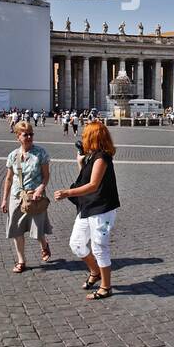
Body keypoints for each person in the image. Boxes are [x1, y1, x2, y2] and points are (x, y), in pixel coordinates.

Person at [59, 120, 121, 298]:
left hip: (101, 208)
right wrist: (80, 162)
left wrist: (67, 192)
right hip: (87, 207)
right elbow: (86, 179)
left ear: (93, 137)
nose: (83, 137)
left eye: (86, 135)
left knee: (99, 247)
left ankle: (106, 287)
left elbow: (93, 185)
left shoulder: (102, 157)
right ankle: (95, 271)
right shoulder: (92, 156)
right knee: (76, 244)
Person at [2, 121, 55, 273]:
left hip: (35, 196)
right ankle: (21, 261)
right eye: (26, 135)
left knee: (38, 230)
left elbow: (46, 176)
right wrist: (4, 199)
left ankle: (44, 245)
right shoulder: (13, 155)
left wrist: (40, 188)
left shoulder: (41, 153)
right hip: (16, 196)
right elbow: (9, 179)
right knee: (16, 230)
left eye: (31, 134)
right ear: (18, 136)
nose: (30, 137)